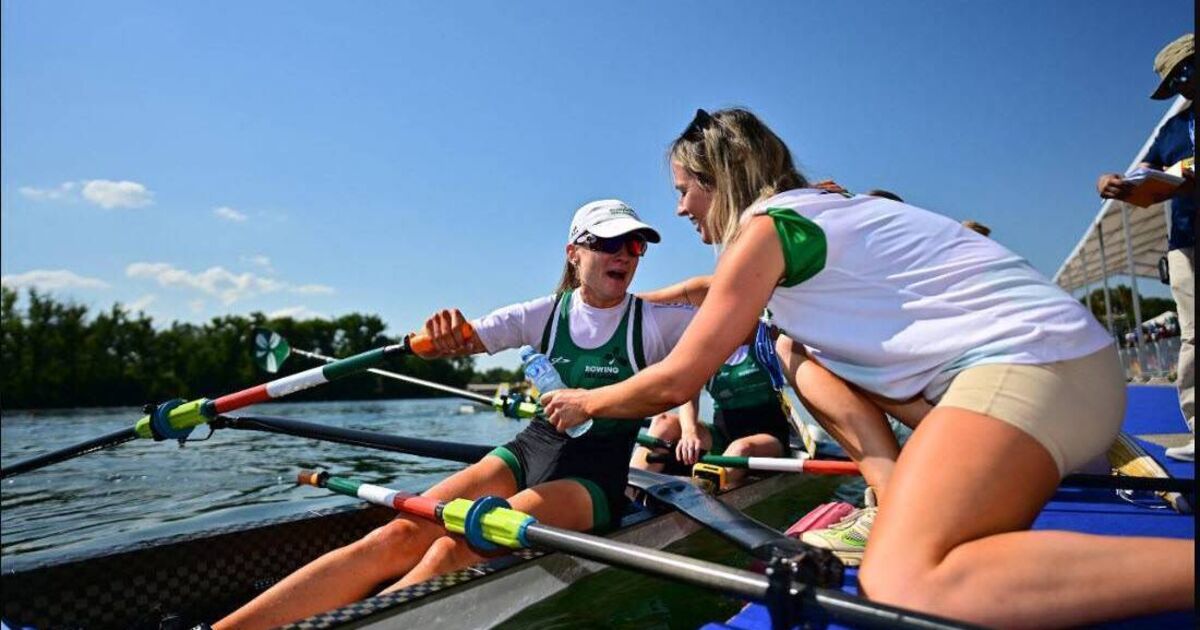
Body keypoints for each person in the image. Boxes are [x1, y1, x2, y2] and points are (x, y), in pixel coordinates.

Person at [544, 108, 1194, 626]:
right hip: (1065, 370)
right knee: (795, 346)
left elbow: (680, 379)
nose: (681, 209)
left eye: (684, 191)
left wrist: (585, 402)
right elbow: (695, 298)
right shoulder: (828, 206)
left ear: (723, 176)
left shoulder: (765, 231)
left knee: (904, 577)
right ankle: (891, 486)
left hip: (1032, 368)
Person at [215, 199, 695, 630]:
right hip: (532, 447)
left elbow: (737, 307)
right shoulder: (542, 314)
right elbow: (456, 342)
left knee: (458, 544)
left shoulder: (655, 322)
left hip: (592, 474)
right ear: (574, 253)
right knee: (398, 533)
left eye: (635, 246)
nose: (624, 255)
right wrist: (439, 335)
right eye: (608, 242)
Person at [1097, 33, 1195, 462]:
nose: (1183, 84)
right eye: (1176, 80)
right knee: (1194, 336)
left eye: (1186, 72)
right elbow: (1144, 175)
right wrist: (1112, 182)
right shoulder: (1173, 128)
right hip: (1188, 242)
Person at [630, 343, 791, 483]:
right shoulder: (707, 351)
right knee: (663, 421)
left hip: (770, 438)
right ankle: (629, 490)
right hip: (722, 435)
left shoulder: (764, 340)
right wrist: (689, 433)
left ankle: (697, 495)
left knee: (740, 448)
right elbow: (688, 395)